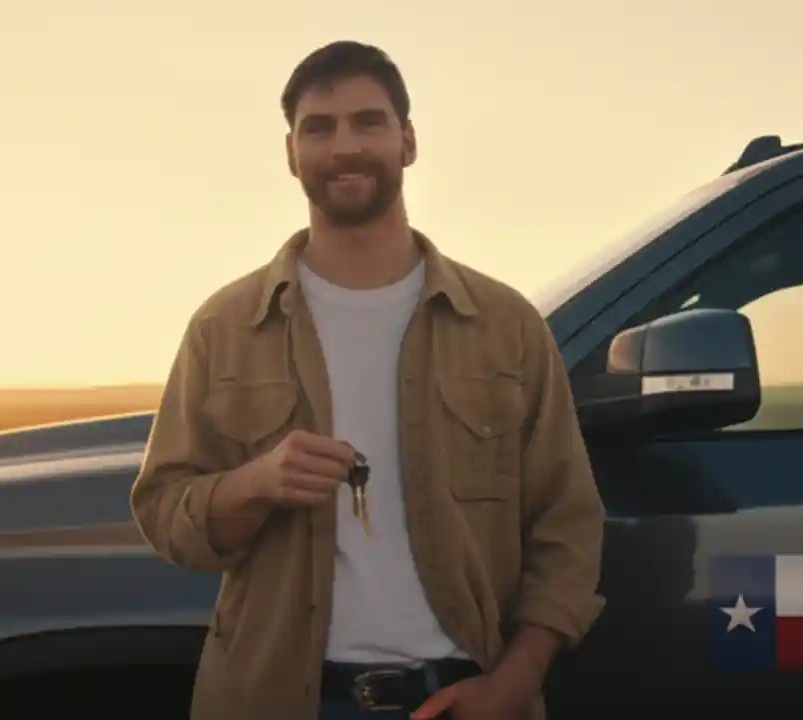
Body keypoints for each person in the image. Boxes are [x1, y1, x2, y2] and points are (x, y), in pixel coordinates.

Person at [130, 40, 606, 720]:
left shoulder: (506, 326)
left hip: (462, 696)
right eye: (318, 128)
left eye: (368, 122)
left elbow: (568, 525)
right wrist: (255, 483)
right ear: (291, 153)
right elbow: (164, 514)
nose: (344, 146)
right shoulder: (226, 327)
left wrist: (515, 682)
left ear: (408, 142)